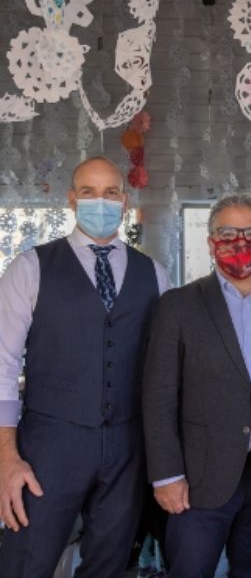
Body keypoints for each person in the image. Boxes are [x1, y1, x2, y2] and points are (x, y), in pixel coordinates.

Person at [0, 156, 170, 576]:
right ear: (72, 199)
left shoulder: (155, 275)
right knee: (27, 561)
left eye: (110, 192)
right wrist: (6, 458)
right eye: (89, 192)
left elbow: (166, 372)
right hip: (49, 445)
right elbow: (2, 365)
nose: (101, 201)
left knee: (110, 565)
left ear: (125, 201)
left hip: (128, 447)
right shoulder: (30, 268)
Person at [142, 192, 251, 577]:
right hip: (197, 480)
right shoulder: (178, 305)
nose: (240, 242)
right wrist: (166, 475)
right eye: (227, 233)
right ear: (210, 242)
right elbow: (158, 398)